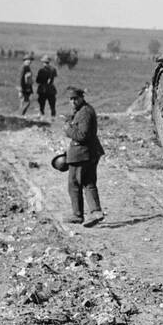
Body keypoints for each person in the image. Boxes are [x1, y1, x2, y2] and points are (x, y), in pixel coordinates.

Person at [63, 86, 105, 226]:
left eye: (76, 99)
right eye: (71, 99)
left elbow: (82, 135)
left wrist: (68, 129)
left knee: (74, 184)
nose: (73, 102)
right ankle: (95, 212)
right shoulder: (82, 111)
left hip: (82, 154)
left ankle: (78, 215)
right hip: (89, 153)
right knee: (88, 182)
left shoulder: (85, 112)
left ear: (82, 98)